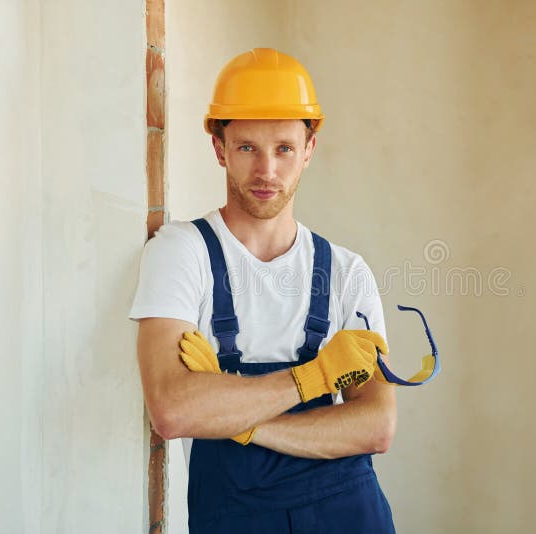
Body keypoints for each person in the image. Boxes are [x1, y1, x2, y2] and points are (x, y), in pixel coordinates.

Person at [130, 48, 397, 533]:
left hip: (350, 516)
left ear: (309, 149)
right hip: (235, 518)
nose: (267, 172)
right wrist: (314, 378)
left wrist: (243, 422)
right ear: (220, 148)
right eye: (248, 147)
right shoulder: (181, 253)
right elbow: (172, 410)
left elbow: (376, 425)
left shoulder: (345, 271)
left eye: (284, 148)